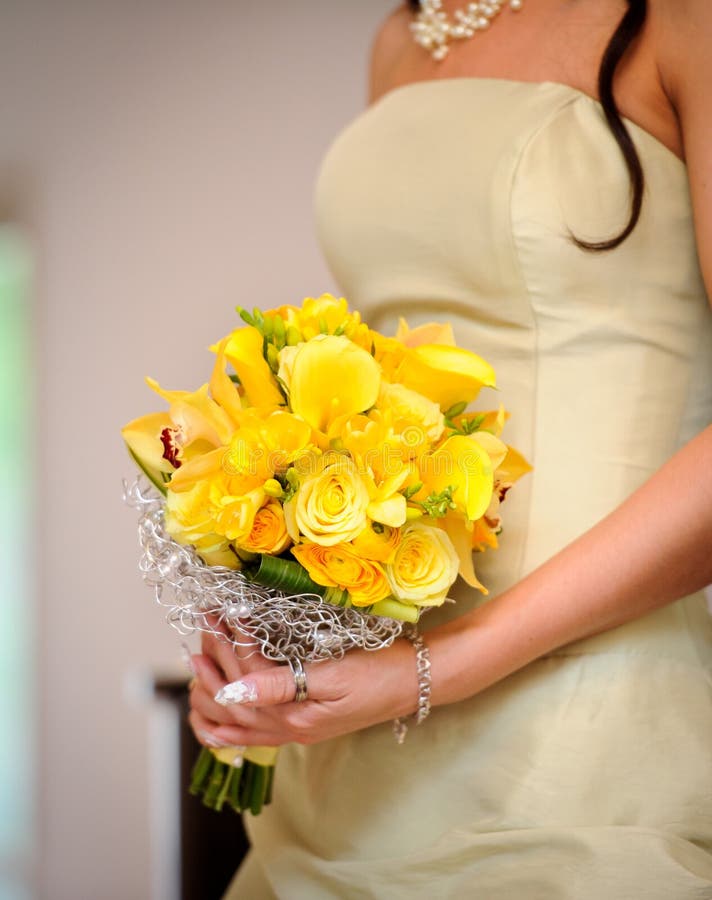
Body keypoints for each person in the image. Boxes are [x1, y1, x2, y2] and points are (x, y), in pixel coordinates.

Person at [188, 1, 712, 896]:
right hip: (367, 735)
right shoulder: (399, 43)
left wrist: (434, 671)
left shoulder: (678, 18)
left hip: (581, 731)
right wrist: (276, 612)